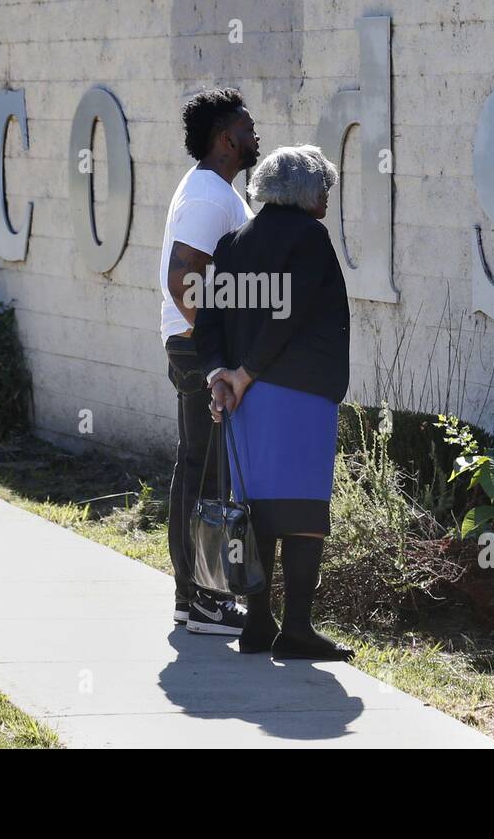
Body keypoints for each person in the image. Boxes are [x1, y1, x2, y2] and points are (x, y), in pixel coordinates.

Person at [195, 144, 354, 662]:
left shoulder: (232, 244)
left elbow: (210, 320)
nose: (328, 197)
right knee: (305, 512)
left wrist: (222, 375)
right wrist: (244, 371)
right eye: (325, 188)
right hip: (300, 395)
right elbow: (290, 314)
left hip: (248, 402)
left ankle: (258, 625)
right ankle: (298, 629)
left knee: (257, 511)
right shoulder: (311, 238)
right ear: (306, 193)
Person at [159, 88, 259, 635]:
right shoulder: (206, 193)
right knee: (202, 473)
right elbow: (183, 278)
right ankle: (200, 598)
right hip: (200, 351)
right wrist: (218, 358)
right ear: (226, 138)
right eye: (248, 127)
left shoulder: (212, 189)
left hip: (200, 348)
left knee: (201, 470)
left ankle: (193, 597)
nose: (255, 135)